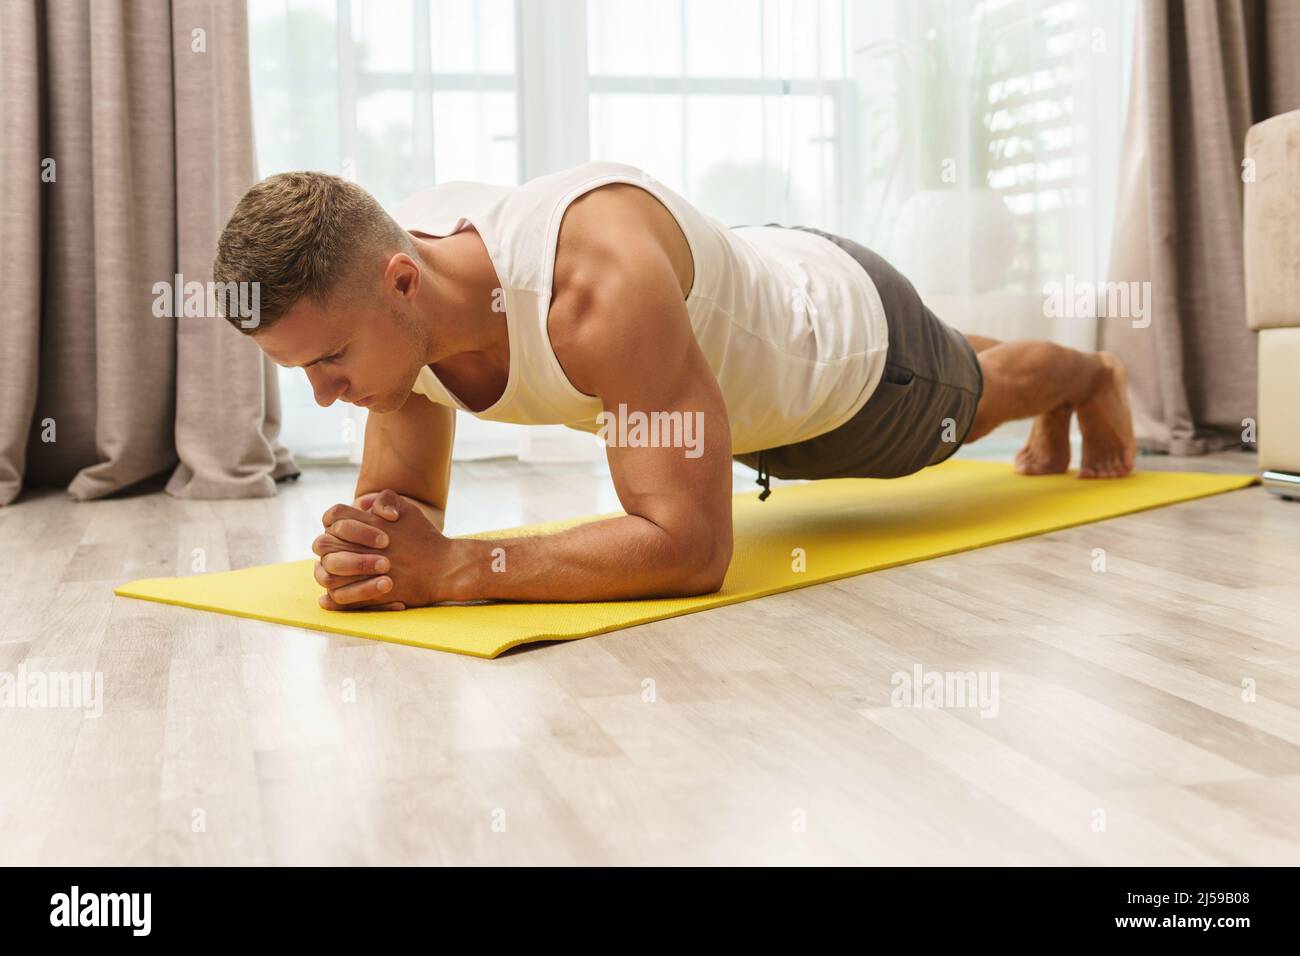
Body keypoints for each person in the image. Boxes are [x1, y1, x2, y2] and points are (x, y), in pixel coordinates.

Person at [212, 162, 1135, 610]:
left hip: (855, 366)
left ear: (401, 284)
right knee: (958, 360)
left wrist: (462, 568)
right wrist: (372, 547)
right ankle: (1031, 372)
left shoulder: (593, 287)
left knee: (976, 392)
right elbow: (404, 508)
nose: (326, 398)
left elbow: (691, 548)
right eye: (302, 375)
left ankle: (1091, 376)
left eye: (328, 362)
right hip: (756, 307)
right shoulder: (399, 299)